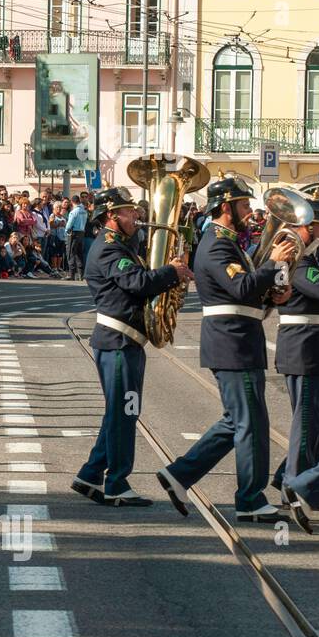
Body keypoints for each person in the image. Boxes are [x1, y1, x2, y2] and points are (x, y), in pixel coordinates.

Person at [156, 177, 297, 523]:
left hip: (239, 342)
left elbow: (252, 292)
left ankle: (180, 475)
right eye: (245, 206)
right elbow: (239, 287)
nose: (251, 213)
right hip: (232, 344)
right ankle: (249, 498)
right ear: (225, 208)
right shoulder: (217, 244)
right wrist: (271, 263)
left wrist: (277, 289)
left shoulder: (231, 244)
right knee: (250, 423)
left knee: (237, 421)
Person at [71, 187, 190, 506]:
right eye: (130, 212)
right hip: (118, 341)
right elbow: (138, 283)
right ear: (112, 216)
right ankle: (117, 483)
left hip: (124, 341)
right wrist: (171, 273)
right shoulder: (110, 249)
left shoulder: (122, 245)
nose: (137, 216)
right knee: (125, 412)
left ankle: (91, 473)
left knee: (119, 411)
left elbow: (141, 280)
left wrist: (172, 275)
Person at [267, 198, 319, 517]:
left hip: (315, 350)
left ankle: (287, 477)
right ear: (305, 227)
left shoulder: (312, 257)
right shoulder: (300, 261)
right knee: (305, 425)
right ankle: (295, 486)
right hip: (303, 350)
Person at [65, 195, 89, 280]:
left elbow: (69, 224)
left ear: (72, 202)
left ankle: (71, 275)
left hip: (73, 233)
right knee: (79, 254)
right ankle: (81, 275)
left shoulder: (74, 212)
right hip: (81, 233)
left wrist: (66, 230)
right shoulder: (84, 211)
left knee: (71, 253)